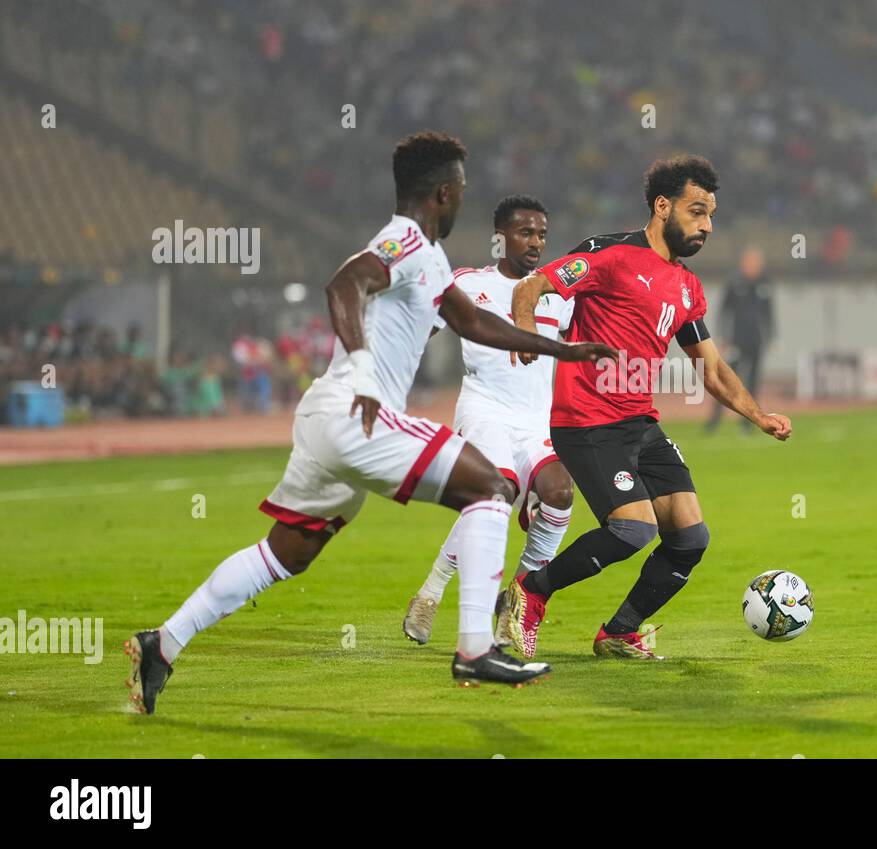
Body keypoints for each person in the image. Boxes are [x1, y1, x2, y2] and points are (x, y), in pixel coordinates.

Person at [125, 132, 615, 713]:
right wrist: (360, 371)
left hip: (326, 423)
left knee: (285, 554)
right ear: (443, 193)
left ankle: (163, 643)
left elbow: (479, 325)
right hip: (356, 412)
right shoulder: (404, 239)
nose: (461, 200)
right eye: (458, 189)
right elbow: (345, 284)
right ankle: (476, 646)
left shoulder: (431, 261)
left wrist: (567, 351)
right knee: (491, 488)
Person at [501, 155, 792, 660]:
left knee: (690, 538)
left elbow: (713, 368)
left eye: (711, 215)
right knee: (634, 529)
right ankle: (530, 591)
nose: (707, 226)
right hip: (587, 422)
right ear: (663, 206)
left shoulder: (687, 287)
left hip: (639, 423)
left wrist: (758, 415)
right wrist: (526, 329)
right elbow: (533, 285)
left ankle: (619, 632)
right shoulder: (608, 253)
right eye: (697, 211)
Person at [402, 194, 576, 647]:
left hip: (535, 421)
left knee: (559, 494)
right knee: (497, 494)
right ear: (499, 239)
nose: (535, 241)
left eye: (541, 233)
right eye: (525, 232)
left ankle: (515, 599)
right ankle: (431, 593)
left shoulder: (558, 295)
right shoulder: (467, 282)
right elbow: (423, 328)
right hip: (484, 410)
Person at [705, 246, 774, 433]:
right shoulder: (734, 283)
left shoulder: (764, 283)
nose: (752, 266)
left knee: (753, 382)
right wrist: (722, 337)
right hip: (735, 340)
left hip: (755, 341)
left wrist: (769, 335)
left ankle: (748, 423)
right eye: (749, 263)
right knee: (727, 381)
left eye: (756, 263)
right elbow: (723, 312)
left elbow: (769, 314)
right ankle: (714, 421)